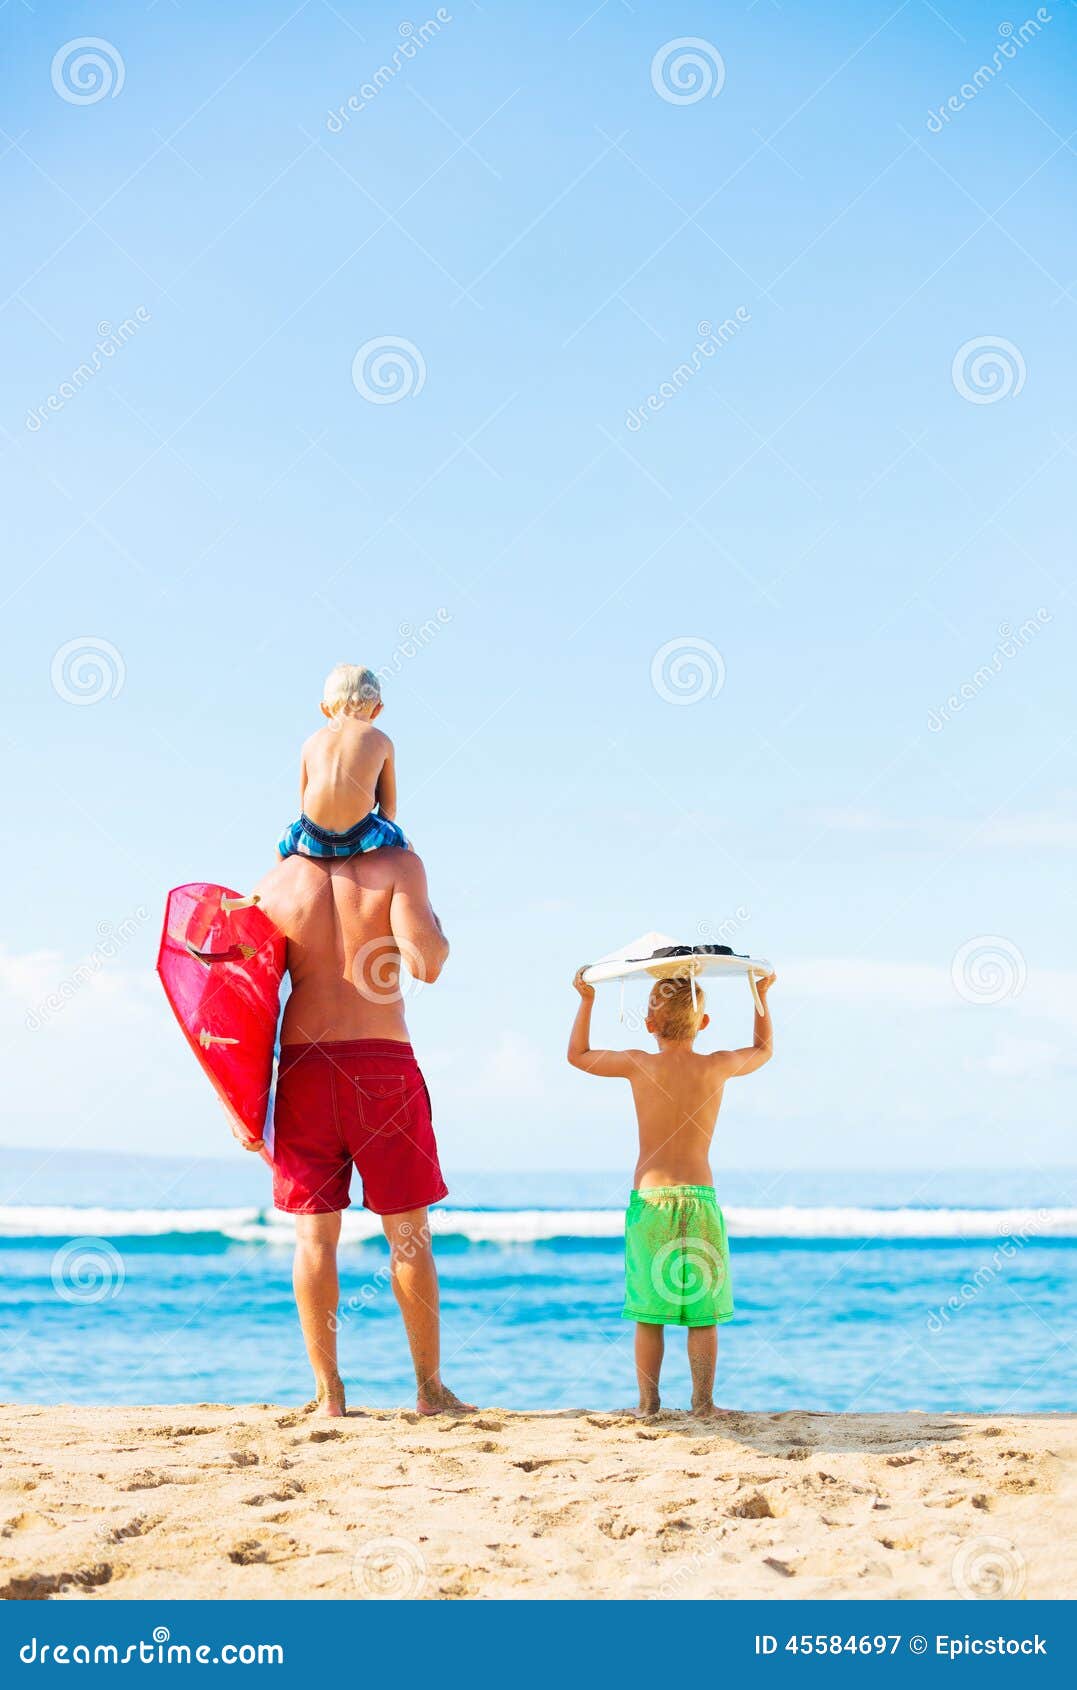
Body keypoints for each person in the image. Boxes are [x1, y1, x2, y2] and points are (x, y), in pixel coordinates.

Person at [248, 844, 473, 1419]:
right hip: (380, 1065)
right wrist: (431, 919)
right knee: (409, 1236)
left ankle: (329, 1393)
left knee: (314, 1241)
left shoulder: (274, 884)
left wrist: (243, 1105)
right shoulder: (398, 867)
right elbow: (428, 963)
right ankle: (429, 1390)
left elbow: (242, 1009)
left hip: (303, 1068)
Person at [567, 966, 776, 1418]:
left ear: (649, 1025)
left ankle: (648, 1403)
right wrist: (759, 996)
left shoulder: (639, 1063)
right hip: (699, 1198)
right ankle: (703, 1403)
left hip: (651, 1201)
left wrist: (587, 999)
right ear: (704, 1023)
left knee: (648, 1310)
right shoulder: (716, 1065)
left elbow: (578, 1055)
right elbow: (764, 1049)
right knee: (702, 1312)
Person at [277, 662, 410, 861]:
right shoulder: (382, 740)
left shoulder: (311, 742)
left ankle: (278, 889)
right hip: (361, 835)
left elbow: (304, 806)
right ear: (377, 710)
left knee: (281, 847)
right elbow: (388, 809)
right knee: (408, 852)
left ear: (325, 709)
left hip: (312, 835)